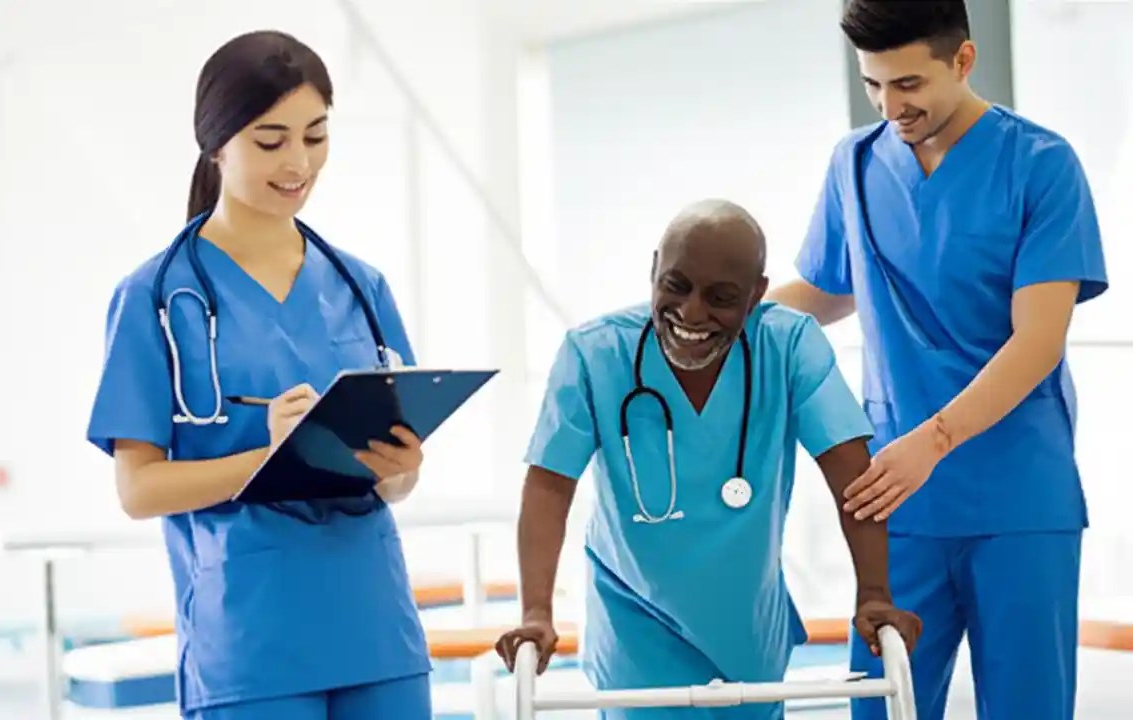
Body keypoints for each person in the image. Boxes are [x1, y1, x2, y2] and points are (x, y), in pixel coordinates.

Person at [767, 2, 1108, 719]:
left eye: (909, 84)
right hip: (895, 499)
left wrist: (935, 440)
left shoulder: (1041, 166)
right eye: (873, 85)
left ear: (963, 60)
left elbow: (1038, 340)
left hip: (1017, 496)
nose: (890, 106)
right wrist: (716, 315)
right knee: (880, 704)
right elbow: (827, 291)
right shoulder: (854, 164)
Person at [85, 31, 433, 720]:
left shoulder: (361, 286)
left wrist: (401, 468)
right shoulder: (157, 296)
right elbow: (139, 488)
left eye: (316, 136)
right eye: (271, 141)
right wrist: (272, 459)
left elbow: (396, 481)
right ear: (216, 144)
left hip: (375, 626)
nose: (298, 163)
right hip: (249, 641)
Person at [495, 199, 922, 719]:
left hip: (747, 630)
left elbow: (852, 477)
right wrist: (536, 612)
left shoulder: (789, 346)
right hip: (635, 629)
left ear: (757, 294)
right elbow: (549, 483)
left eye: (722, 297)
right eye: (675, 286)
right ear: (654, 269)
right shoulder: (595, 353)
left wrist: (873, 593)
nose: (692, 313)